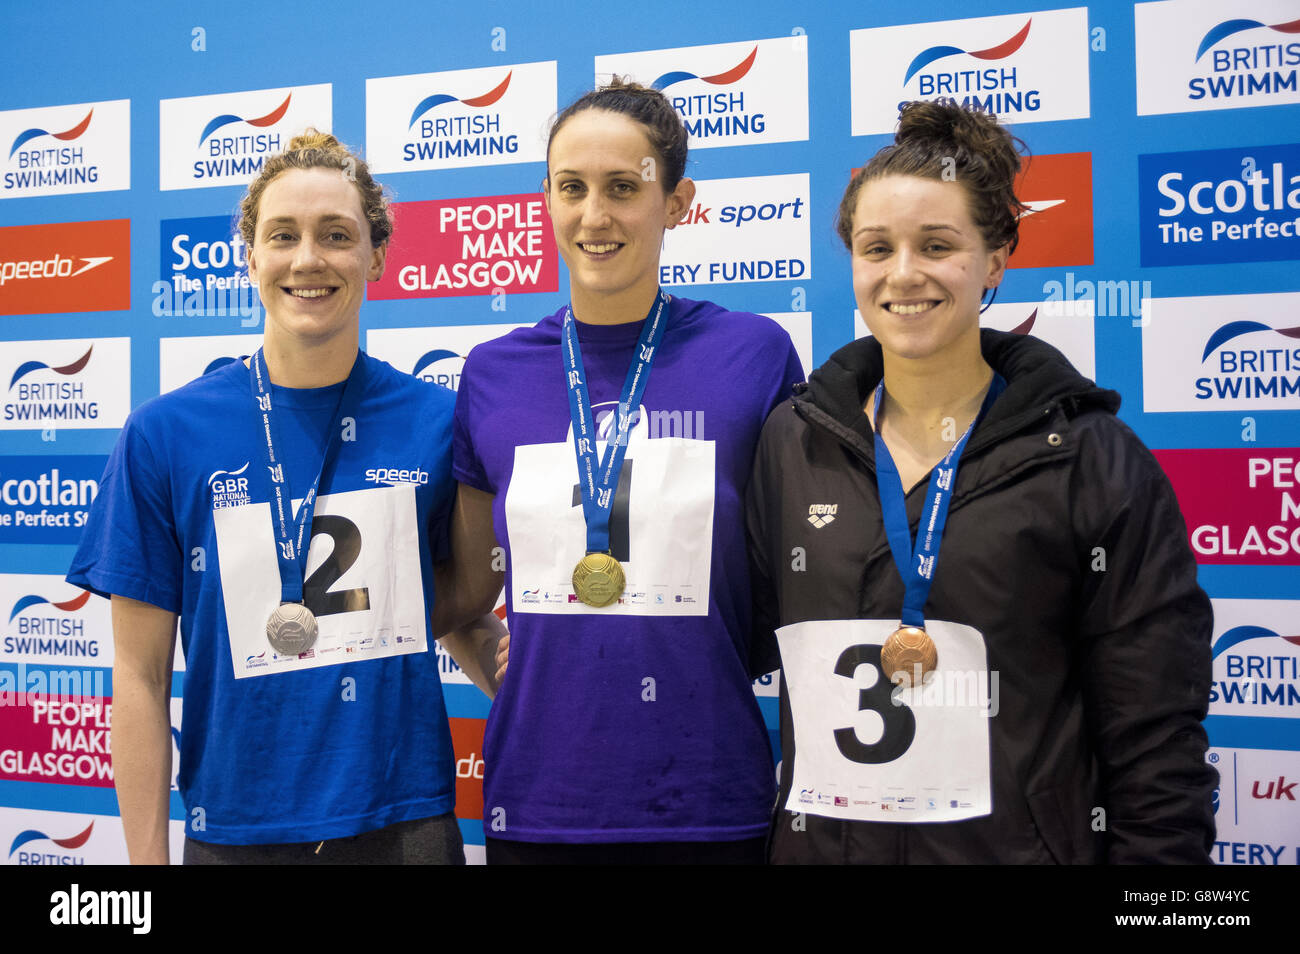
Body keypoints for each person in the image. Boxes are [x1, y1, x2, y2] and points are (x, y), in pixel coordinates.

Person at [746, 101, 1216, 864]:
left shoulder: (1090, 457)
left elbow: (1155, 735)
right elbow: (737, 641)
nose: (904, 273)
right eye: (877, 248)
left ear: (995, 261)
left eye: (938, 246)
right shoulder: (792, 444)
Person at [67, 131, 504, 864]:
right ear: (250, 256)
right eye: (282, 236)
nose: (308, 259)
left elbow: (443, 608)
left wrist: (531, 676)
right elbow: (140, 676)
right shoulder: (165, 434)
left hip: (406, 827)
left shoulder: (436, 422)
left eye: (336, 235)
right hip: (233, 831)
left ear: (376, 256)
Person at [445, 80, 803, 863]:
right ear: (545, 197)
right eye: (571, 188)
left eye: (623, 188)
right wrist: (517, 668)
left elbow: (795, 585)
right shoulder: (494, 372)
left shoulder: (753, 356)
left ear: (677, 202)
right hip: (538, 805)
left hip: (710, 803)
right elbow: (462, 596)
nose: (594, 215)